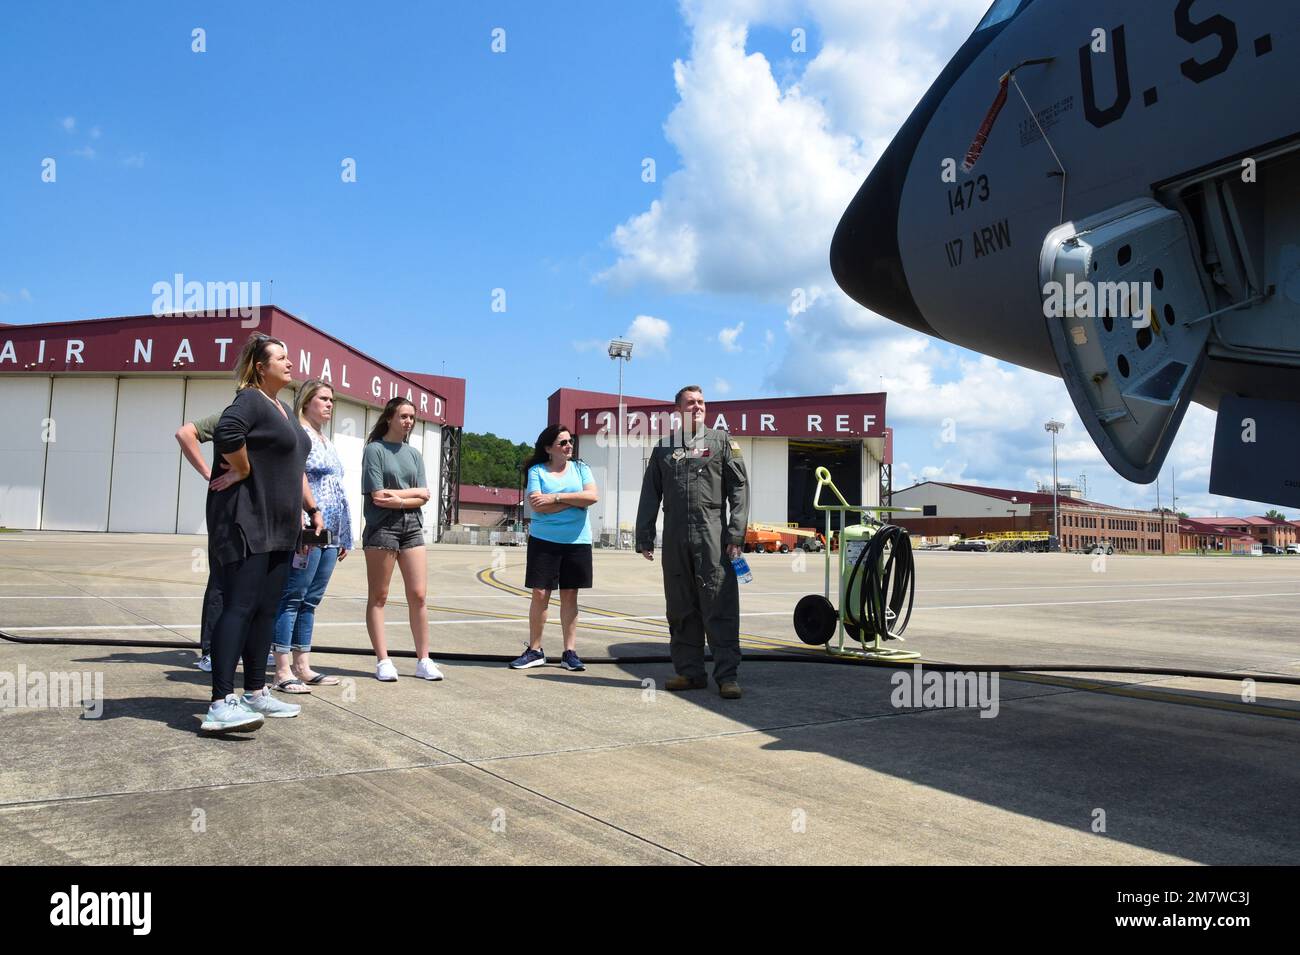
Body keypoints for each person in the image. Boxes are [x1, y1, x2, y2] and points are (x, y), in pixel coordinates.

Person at [200, 333, 324, 734]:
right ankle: (220, 701)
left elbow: (294, 464)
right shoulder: (251, 399)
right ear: (260, 366)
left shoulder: (283, 409)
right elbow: (228, 432)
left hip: (281, 524)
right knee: (240, 605)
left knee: (267, 610)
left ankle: (255, 691)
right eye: (281, 358)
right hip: (247, 519)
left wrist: (312, 508)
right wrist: (242, 468)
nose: (290, 363)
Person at [635, 385, 748, 699]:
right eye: (690, 402)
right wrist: (644, 534)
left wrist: (736, 533)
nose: (697, 406)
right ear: (677, 410)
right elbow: (650, 495)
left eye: (701, 402)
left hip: (712, 532)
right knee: (681, 604)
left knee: (719, 602)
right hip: (674, 535)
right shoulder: (663, 448)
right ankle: (689, 672)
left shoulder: (722, 442)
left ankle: (727, 676)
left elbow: (739, 490)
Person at [269, 378, 351, 692]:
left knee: (311, 601)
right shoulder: (300, 435)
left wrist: (345, 535)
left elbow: (338, 491)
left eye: (332, 400)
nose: (330, 404)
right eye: (323, 398)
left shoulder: (325, 440)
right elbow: (295, 479)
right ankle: (282, 669)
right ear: (306, 401)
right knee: (292, 597)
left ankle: (303, 664)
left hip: (330, 532)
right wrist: (303, 523)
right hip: (308, 529)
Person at [362, 397, 442, 683]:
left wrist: (399, 498)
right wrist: (409, 497)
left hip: (412, 527)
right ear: (389, 418)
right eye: (403, 416)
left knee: (418, 595)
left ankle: (424, 660)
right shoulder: (374, 450)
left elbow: (426, 494)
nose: (408, 422)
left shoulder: (414, 454)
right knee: (379, 596)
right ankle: (383, 660)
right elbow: (378, 496)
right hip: (382, 528)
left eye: (412, 417)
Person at [510, 425, 598, 671]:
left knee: (570, 595)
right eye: (562, 443)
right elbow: (538, 505)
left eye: (570, 442)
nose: (569, 446)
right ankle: (535, 650)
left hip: (577, 541)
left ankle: (569, 652)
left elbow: (592, 497)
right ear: (548, 448)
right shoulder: (537, 471)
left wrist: (557, 498)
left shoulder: (581, 468)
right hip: (544, 541)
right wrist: (574, 502)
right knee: (540, 594)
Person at [175, 410, 241, 672]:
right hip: (226, 508)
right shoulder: (230, 416)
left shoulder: (273, 414)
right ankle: (211, 650)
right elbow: (184, 433)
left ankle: (241, 646)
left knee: (249, 582)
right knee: (221, 581)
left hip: (256, 511)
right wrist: (208, 473)